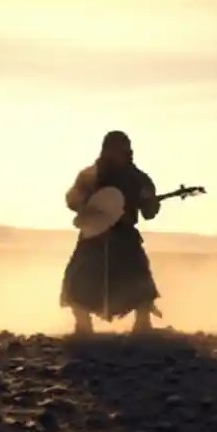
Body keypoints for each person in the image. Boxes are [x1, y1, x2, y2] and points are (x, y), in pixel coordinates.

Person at [61, 131, 162, 337]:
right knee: (78, 277)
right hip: (93, 235)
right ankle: (83, 324)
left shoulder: (138, 179)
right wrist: (88, 207)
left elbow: (149, 212)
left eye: (122, 149)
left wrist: (149, 202)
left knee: (138, 277)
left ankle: (143, 323)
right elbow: (73, 200)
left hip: (124, 236)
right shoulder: (90, 175)